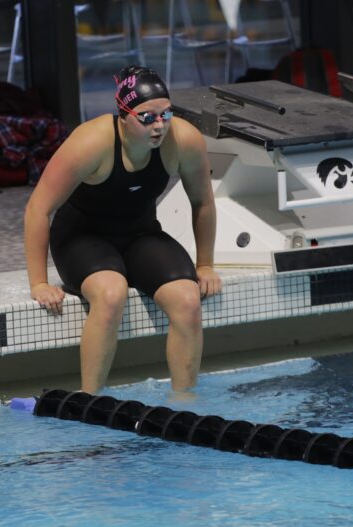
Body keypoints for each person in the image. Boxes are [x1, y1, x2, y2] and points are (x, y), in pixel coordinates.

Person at [23, 65, 221, 394]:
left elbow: (203, 202)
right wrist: (39, 282)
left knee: (188, 300)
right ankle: (91, 398)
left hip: (140, 234)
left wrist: (205, 265)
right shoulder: (91, 142)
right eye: (147, 117)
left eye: (166, 114)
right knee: (111, 293)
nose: (160, 125)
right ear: (123, 116)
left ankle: (184, 402)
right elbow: (38, 209)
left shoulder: (184, 139)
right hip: (81, 237)